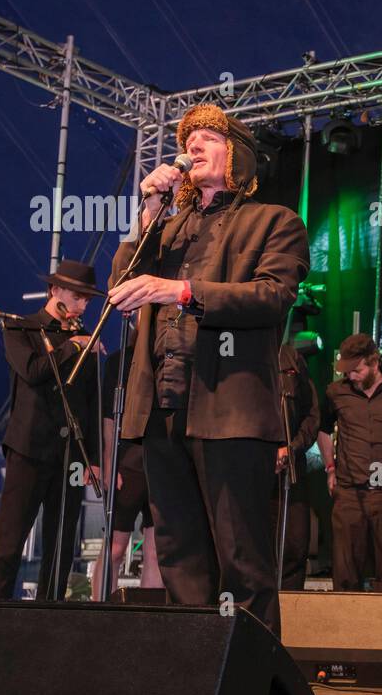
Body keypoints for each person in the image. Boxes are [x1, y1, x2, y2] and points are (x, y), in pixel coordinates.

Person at [107, 102, 310, 634]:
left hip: (230, 413)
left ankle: (255, 691)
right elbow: (122, 284)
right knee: (178, 554)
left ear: (237, 154)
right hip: (162, 409)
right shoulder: (169, 230)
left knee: (242, 557)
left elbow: (272, 296)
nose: (192, 146)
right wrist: (150, 209)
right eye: (188, 140)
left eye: (207, 139)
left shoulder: (275, 221)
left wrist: (180, 290)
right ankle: (194, 681)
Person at [0, 259, 102, 601]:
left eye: (87, 299)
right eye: (77, 296)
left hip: (70, 456)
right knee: (10, 539)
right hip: (29, 449)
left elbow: (91, 404)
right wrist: (75, 346)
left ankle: (49, 615)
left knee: (62, 542)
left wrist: (92, 457)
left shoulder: (83, 339)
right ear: (54, 290)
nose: (81, 304)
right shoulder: (22, 328)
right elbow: (33, 371)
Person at [317, 333, 382, 592]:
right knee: (345, 571)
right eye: (347, 370)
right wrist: (330, 467)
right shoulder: (336, 392)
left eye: (357, 369)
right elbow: (322, 430)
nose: (351, 375)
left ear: (374, 362)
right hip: (351, 491)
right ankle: (344, 630)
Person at [91, 326, 161, 600]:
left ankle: (148, 620)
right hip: (127, 462)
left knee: (155, 551)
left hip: (161, 462)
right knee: (115, 547)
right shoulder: (120, 361)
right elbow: (108, 416)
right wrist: (107, 461)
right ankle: (101, 610)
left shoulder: (173, 360)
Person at [273, 342, 321, 590]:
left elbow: (312, 414)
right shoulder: (237, 348)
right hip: (252, 470)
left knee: (294, 543)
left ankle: (289, 616)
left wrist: (292, 448)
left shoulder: (291, 357)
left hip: (291, 468)